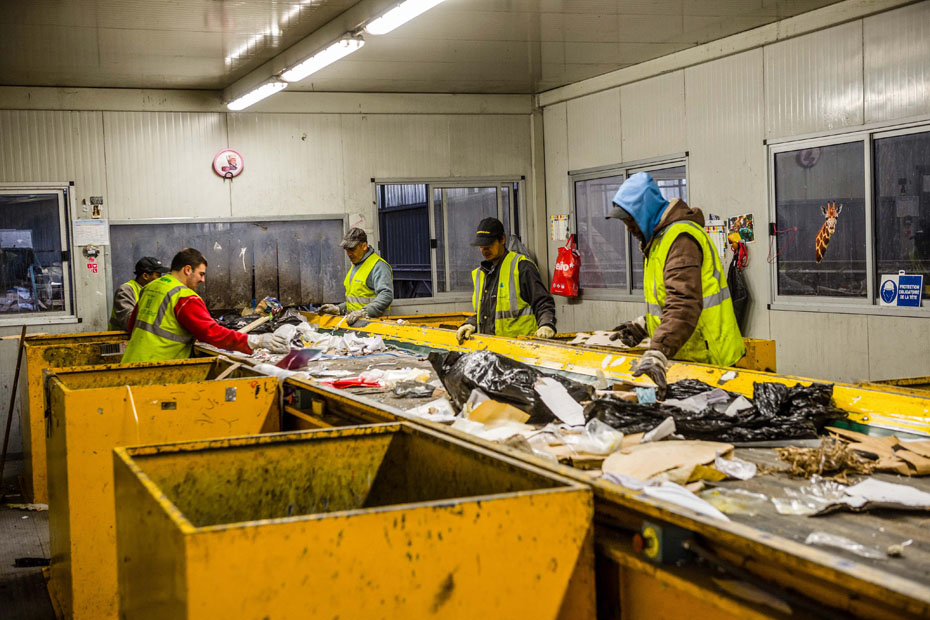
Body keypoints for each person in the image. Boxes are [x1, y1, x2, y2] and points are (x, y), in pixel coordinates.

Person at [606, 172, 744, 398]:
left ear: (645, 211)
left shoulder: (680, 239)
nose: (629, 229)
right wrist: (645, 325)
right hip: (689, 354)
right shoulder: (658, 241)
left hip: (711, 361)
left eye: (631, 220)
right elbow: (668, 300)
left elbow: (684, 303)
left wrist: (658, 351)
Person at [121, 248, 289, 362]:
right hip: (161, 367)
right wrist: (256, 340)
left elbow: (132, 325)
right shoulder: (185, 297)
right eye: (201, 274)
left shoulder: (150, 287)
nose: (203, 279)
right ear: (187, 270)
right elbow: (212, 333)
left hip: (131, 362)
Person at [456, 217, 556, 344]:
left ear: (502, 239)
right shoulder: (481, 274)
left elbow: (542, 302)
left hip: (521, 349)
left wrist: (547, 324)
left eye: (489, 244)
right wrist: (471, 324)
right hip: (491, 349)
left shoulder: (521, 267)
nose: (485, 250)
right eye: (481, 246)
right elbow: (487, 314)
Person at [319, 228, 394, 326]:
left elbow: (386, 295)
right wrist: (339, 309)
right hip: (358, 326)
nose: (349, 254)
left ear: (364, 246)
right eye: (346, 250)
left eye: (352, 249)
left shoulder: (378, 266)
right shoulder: (356, 265)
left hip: (375, 326)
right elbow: (356, 302)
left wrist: (364, 312)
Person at [108, 256, 168, 331]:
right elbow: (129, 322)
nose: (161, 279)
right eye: (158, 275)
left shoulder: (156, 290)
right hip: (121, 340)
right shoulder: (126, 290)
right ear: (145, 276)